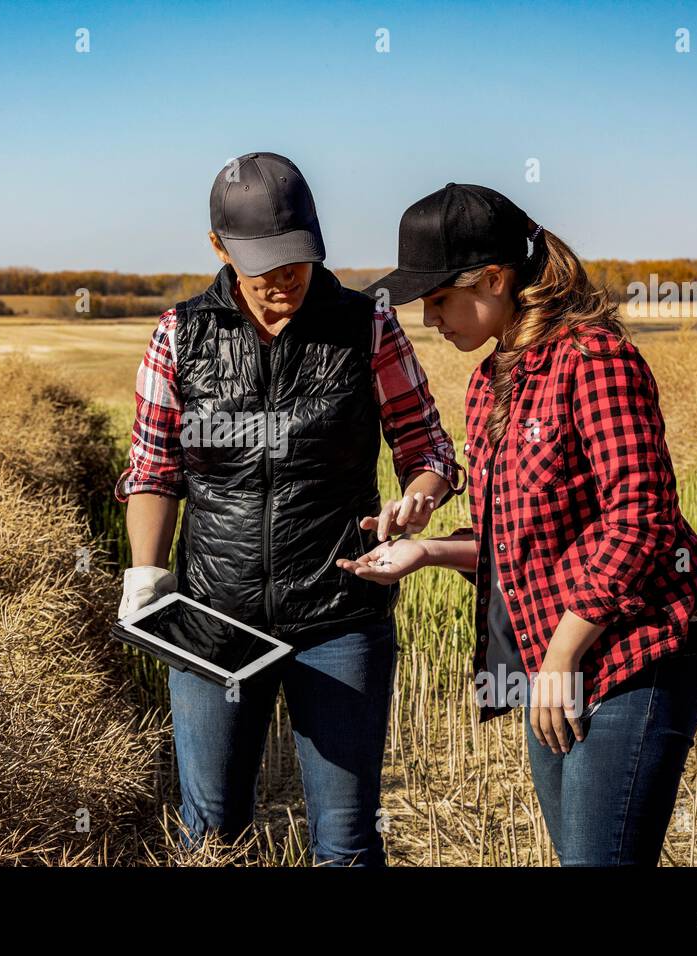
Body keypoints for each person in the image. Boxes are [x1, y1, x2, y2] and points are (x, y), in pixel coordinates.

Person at [339, 183, 697, 866]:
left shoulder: (593, 359)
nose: (430, 319)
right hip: (555, 666)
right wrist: (424, 551)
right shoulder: (491, 381)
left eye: (437, 299)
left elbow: (642, 516)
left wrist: (562, 655)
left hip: (631, 661)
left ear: (493, 279)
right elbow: (516, 539)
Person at [114, 153, 462, 866]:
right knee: (210, 836)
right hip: (214, 617)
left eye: (296, 266)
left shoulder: (368, 327)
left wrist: (420, 499)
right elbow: (154, 469)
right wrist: (146, 578)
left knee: (346, 843)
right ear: (219, 248)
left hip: (339, 616)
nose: (282, 286)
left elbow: (428, 447)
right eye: (263, 270)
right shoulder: (180, 335)